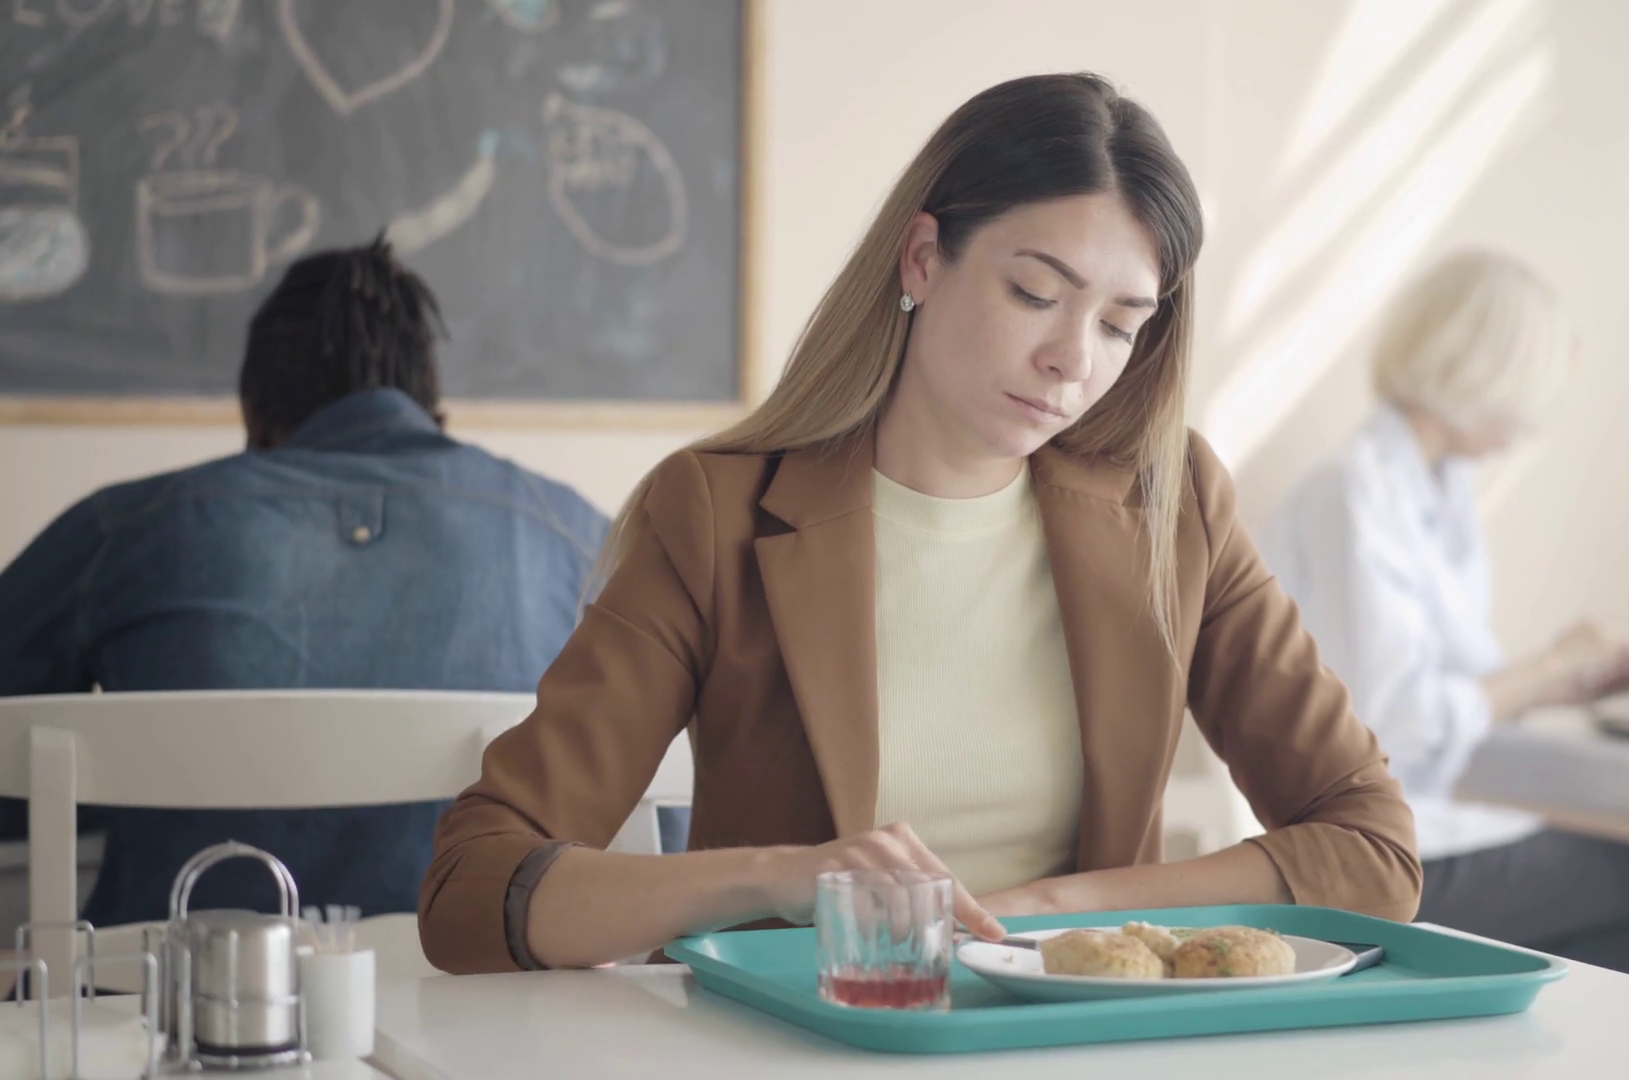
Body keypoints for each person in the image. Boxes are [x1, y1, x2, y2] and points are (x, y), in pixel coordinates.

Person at [420, 73, 1422, 975]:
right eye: (1036, 292)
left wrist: (1048, 909)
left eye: (1120, 324)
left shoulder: (1173, 506)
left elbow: (1374, 849)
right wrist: (781, 878)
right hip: (810, 1046)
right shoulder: (717, 512)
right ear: (923, 258)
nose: (1073, 358)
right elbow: (476, 887)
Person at [0, 237, 613, 927]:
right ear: (433, 420)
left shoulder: (124, 529)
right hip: (485, 1005)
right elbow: (660, 822)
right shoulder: (581, 541)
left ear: (257, 422)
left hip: (153, 1009)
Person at [1263, 250, 1629, 991]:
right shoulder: (1355, 493)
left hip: (1423, 830)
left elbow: (1453, 689)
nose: (1532, 418)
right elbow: (1396, 718)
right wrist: (1552, 661)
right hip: (1375, 856)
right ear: (1480, 372)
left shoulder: (1441, 495)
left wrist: (1561, 682)